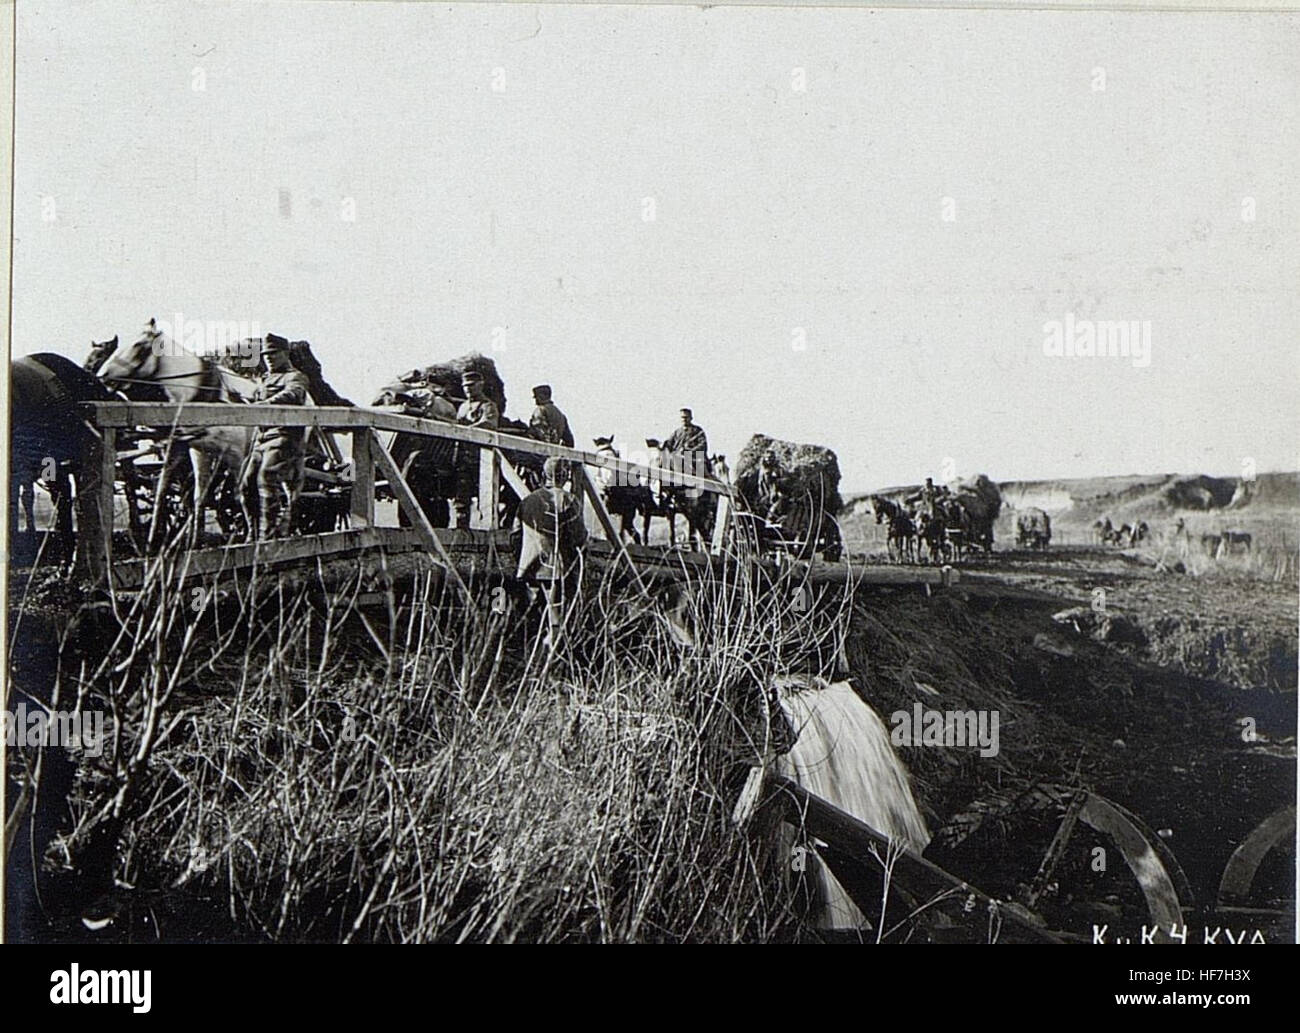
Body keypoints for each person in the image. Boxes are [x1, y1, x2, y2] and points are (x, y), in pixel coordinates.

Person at [243, 333, 311, 538]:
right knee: (246, 485)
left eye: (273, 354)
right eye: (266, 355)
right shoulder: (263, 380)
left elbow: (293, 394)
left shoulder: (295, 377)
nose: (269, 359)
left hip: (284, 437)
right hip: (262, 439)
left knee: (267, 478)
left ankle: (268, 536)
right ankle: (252, 533)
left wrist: (265, 404)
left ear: (285, 354)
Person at [517, 457, 588, 648]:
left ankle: (529, 667)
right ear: (565, 476)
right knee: (555, 623)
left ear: (543, 475)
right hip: (556, 571)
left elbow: (515, 535)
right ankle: (550, 667)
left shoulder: (527, 500)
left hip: (529, 571)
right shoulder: (568, 500)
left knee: (532, 621)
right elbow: (579, 537)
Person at [452, 370, 501, 529]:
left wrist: (466, 430)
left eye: (471, 386)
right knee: (461, 495)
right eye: (465, 386)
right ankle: (462, 528)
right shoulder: (463, 406)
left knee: (483, 494)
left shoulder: (488, 406)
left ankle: (486, 530)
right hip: (462, 455)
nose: (468, 389)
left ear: (480, 385)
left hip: (479, 457)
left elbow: (489, 424)